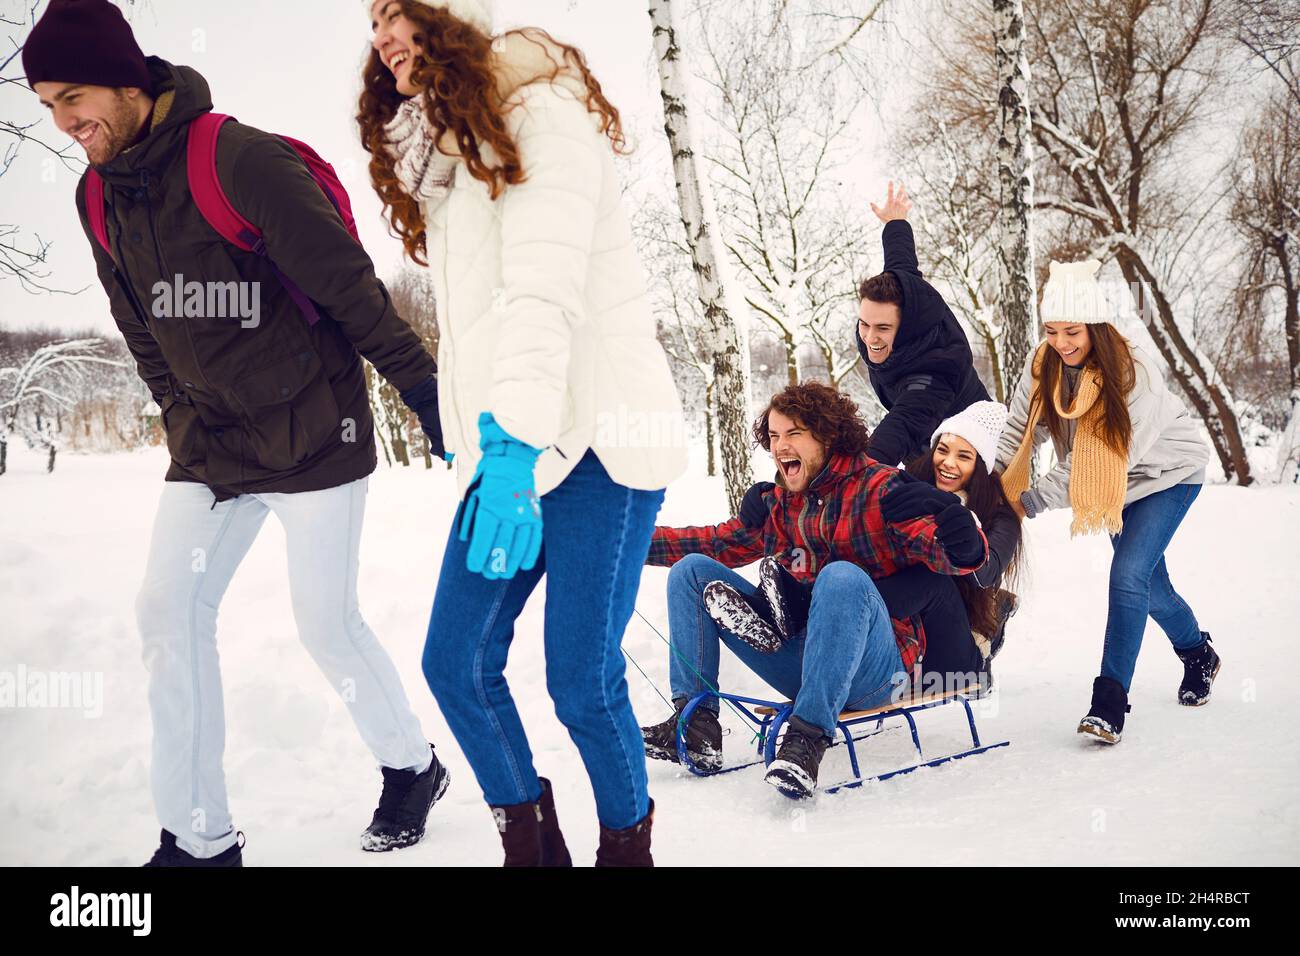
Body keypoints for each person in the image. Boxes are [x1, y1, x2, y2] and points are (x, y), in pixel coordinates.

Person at [24, 0, 452, 866]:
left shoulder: (238, 158)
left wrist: (423, 390)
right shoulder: (96, 196)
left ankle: (412, 766)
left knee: (325, 626)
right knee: (166, 611)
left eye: (73, 97)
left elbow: (348, 287)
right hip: (211, 444)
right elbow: (139, 325)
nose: (65, 123)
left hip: (313, 432)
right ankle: (197, 837)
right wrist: (181, 416)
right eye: (47, 107)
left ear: (125, 77)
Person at [361, 0, 688, 865]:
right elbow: (480, 318)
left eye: (396, 13)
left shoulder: (541, 113)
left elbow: (542, 294)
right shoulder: (448, 148)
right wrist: (479, 436)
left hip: (595, 442)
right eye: (371, 22)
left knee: (581, 681)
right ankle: (532, 847)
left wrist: (508, 445)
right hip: (512, 450)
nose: (382, 37)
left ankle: (627, 849)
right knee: (456, 662)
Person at [640, 382, 988, 798]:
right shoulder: (782, 504)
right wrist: (629, 540)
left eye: (793, 434)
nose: (779, 446)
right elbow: (714, 542)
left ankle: (806, 740)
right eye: (772, 436)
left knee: (840, 577)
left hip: (875, 670)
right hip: (807, 664)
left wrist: (963, 540)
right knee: (692, 572)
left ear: (827, 435)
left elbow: (947, 554)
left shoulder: (880, 490)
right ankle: (696, 727)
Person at [995, 259, 1216, 745]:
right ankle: (1198, 652)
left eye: (1072, 330)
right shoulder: (1044, 366)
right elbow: (1016, 429)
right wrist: (994, 486)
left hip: (1167, 476)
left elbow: (1101, 461)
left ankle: (1109, 703)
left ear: (1094, 324)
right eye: (1052, 330)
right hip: (1117, 487)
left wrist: (1030, 502)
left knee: (1129, 576)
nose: (1061, 342)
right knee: (1149, 588)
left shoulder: (1134, 374)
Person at [877, 400, 1025, 695]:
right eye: (942, 450)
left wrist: (959, 525)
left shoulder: (1000, 517)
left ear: (980, 466)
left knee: (933, 577)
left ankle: (852, 603)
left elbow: (987, 571)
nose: (948, 462)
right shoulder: (910, 490)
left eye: (964, 456)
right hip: (899, 636)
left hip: (951, 656)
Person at [856, 183, 991, 466]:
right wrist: (896, 223)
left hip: (969, 459)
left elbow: (902, 423)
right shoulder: (907, 294)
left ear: (907, 327)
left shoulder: (935, 371)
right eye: (864, 324)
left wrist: (857, 473)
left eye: (882, 328)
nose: (870, 338)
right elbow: (902, 262)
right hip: (928, 440)